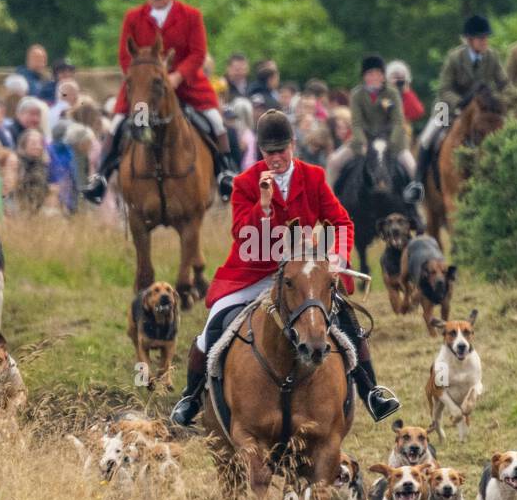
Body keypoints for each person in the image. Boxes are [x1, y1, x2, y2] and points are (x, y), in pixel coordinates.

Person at [170, 110, 401, 427]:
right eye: (269, 152)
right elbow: (241, 233)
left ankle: (371, 391)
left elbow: (342, 222)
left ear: (293, 144)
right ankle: (192, 397)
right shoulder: (245, 183)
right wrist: (262, 207)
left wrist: (336, 256)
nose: (276, 158)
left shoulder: (314, 177)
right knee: (214, 325)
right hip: (256, 272)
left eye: (281, 150)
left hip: (303, 273)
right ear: (261, 151)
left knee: (349, 323)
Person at [82, 0, 236, 205]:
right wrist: (141, 80)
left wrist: (176, 76)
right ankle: (100, 177)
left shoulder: (191, 16)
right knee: (117, 124)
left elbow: (198, 53)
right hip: (145, 90)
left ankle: (226, 173)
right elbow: (125, 56)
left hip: (186, 86)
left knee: (216, 121)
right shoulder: (133, 17)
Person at [416, 14, 509, 188]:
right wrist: (461, 103)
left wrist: (502, 101)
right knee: (427, 138)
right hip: (448, 106)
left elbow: (504, 84)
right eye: (480, 38)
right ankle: (417, 183)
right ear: (469, 40)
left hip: (480, 109)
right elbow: (444, 89)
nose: (484, 41)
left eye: (485, 37)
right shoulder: (454, 58)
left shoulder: (492, 57)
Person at [327, 55, 423, 214]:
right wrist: (362, 142)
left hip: (391, 140)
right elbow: (356, 123)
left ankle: (418, 209)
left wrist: (391, 144)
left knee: (413, 168)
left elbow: (398, 122)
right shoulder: (357, 94)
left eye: (378, 74)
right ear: (364, 77)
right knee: (333, 162)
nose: (374, 78)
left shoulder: (392, 93)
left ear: (383, 76)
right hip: (363, 138)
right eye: (370, 74)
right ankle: (330, 205)